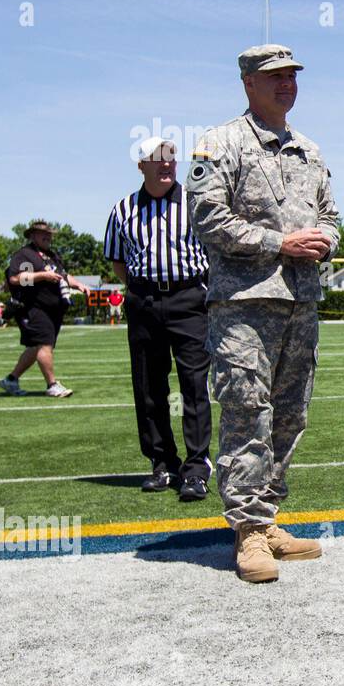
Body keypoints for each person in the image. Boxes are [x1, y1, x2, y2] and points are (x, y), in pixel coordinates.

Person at [187, 44, 340, 583]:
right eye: (275, 77)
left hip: (301, 300)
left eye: (292, 75)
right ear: (249, 82)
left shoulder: (309, 150)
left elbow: (331, 213)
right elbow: (208, 219)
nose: (286, 85)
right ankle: (248, 531)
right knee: (247, 410)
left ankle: (269, 516)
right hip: (245, 303)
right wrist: (281, 243)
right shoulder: (220, 143)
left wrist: (326, 237)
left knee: (290, 413)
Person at [104, 136, 213, 500]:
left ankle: (197, 467)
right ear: (141, 165)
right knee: (149, 386)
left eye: (171, 159)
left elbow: (215, 254)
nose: (166, 165)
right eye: (157, 159)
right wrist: (147, 289)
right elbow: (119, 262)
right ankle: (162, 462)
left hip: (190, 299)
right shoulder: (123, 209)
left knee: (194, 385)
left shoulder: (197, 203)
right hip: (144, 301)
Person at [0, 221, 89, 398]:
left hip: (52, 309)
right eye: (42, 234)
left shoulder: (51, 255)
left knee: (35, 347)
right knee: (44, 344)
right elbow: (16, 279)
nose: (48, 236)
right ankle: (52, 385)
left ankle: (11, 379)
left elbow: (63, 275)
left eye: (49, 234)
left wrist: (79, 285)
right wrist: (42, 276)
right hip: (33, 308)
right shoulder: (25, 255)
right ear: (32, 235)